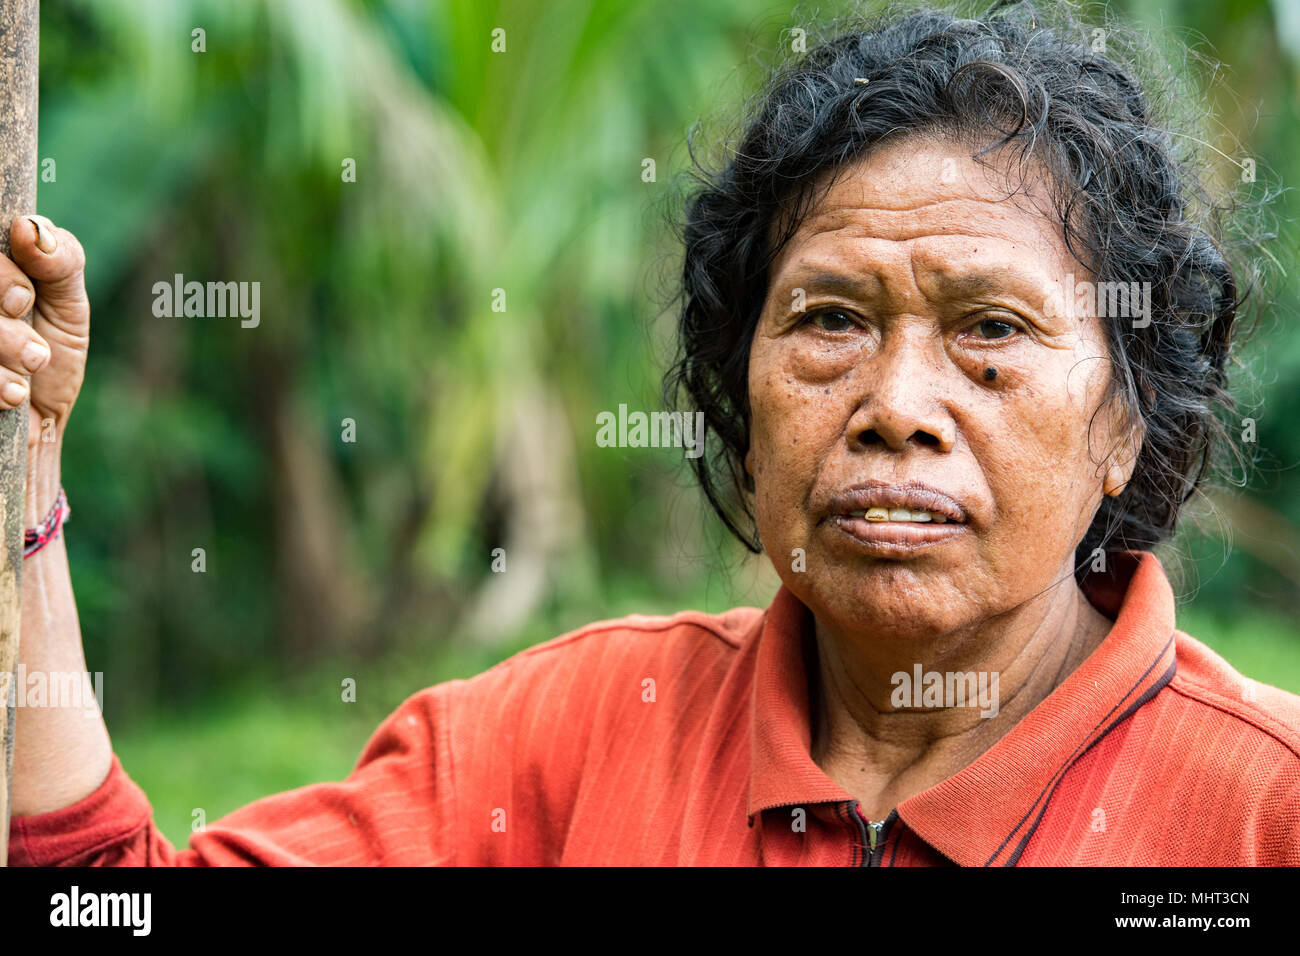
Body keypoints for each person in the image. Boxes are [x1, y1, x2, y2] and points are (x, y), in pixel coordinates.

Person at [6, 4, 1299, 866]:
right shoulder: (560, 740)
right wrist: (28, 462)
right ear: (745, 401)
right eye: (832, 319)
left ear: (1127, 419)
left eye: (992, 332)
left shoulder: (1258, 813)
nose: (898, 405)